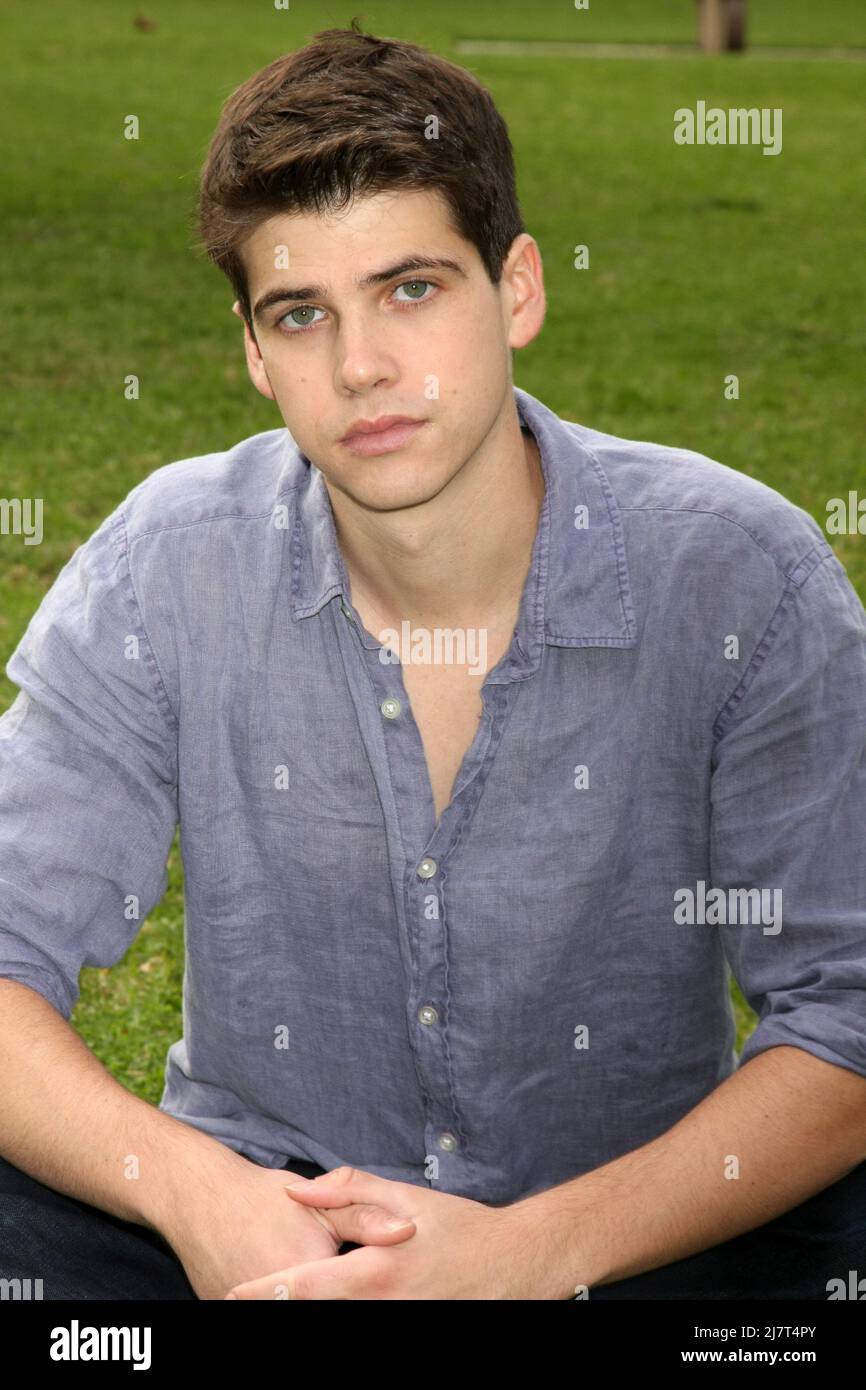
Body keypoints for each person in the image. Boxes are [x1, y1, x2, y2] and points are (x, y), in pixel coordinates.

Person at [1, 20, 865, 1302]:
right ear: (252, 350)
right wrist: (198, 1196)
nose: (361, 368)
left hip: (627, 1232)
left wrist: (524, 1258)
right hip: (271, 1218)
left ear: (515, 286)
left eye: (411, 289)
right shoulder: (165, 567)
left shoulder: (739, 572)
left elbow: (844, 1014)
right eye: (302, 314)